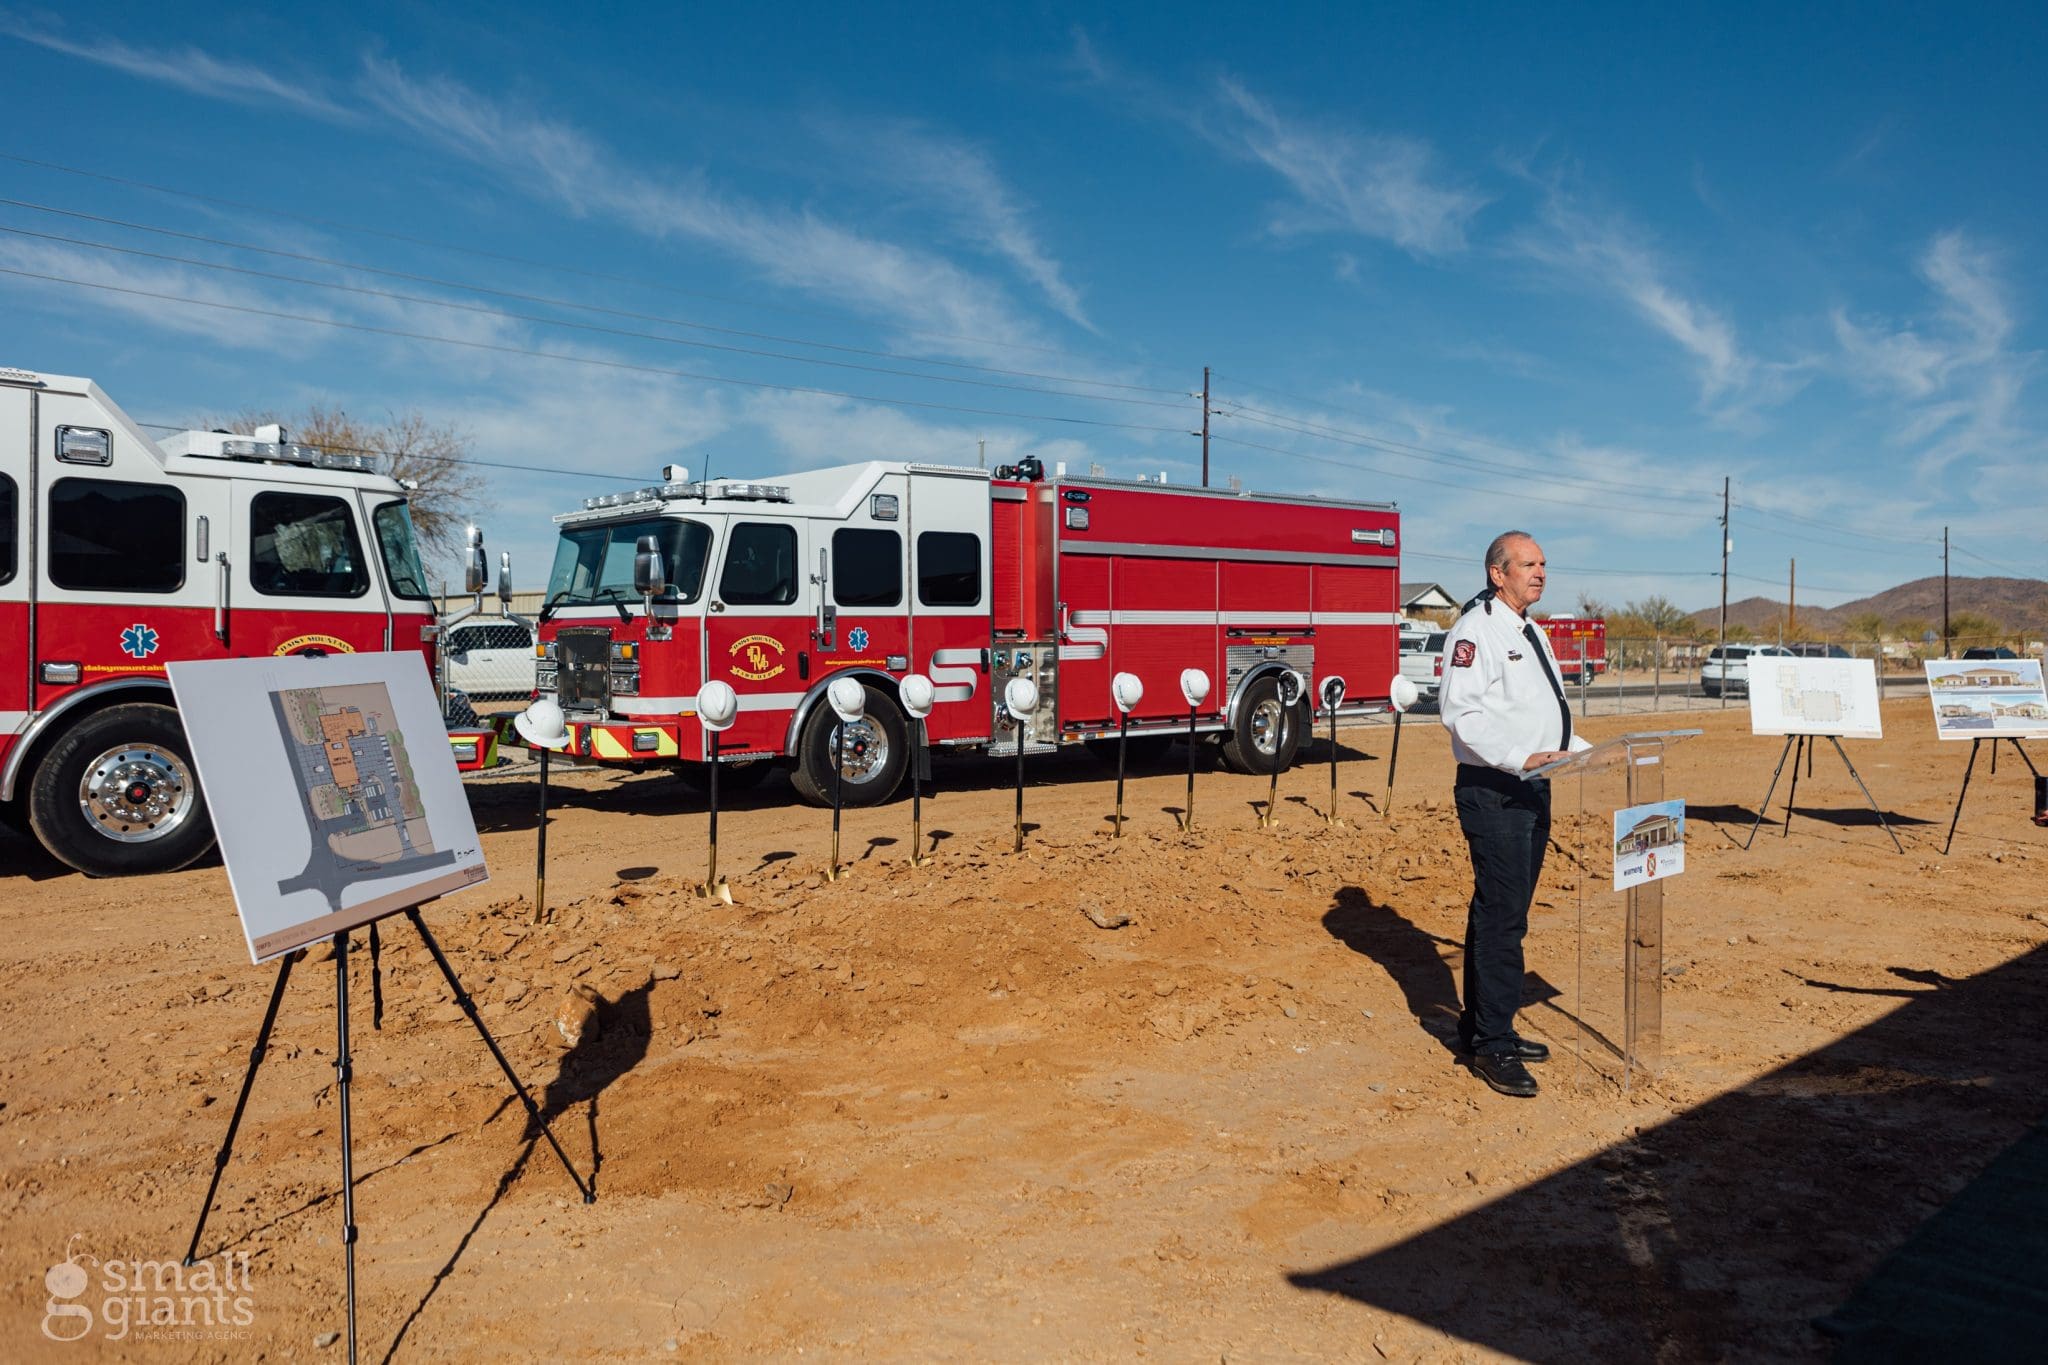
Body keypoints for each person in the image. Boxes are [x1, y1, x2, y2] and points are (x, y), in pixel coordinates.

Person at [1438, 531, 1591, 1097]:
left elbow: (1545, 713)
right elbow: (1462, 715)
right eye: (1529, 564)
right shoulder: (1475, 631)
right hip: (1495, 789)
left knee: (1506, 914)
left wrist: (1584, 751)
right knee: (1501, 918)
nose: (1541, 572)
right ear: (1497, 573)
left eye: (1544, 564)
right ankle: (1491, 1045)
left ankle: (1484, 1026)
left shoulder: (1533, 632)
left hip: (1534, 785)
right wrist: (1518, 757)